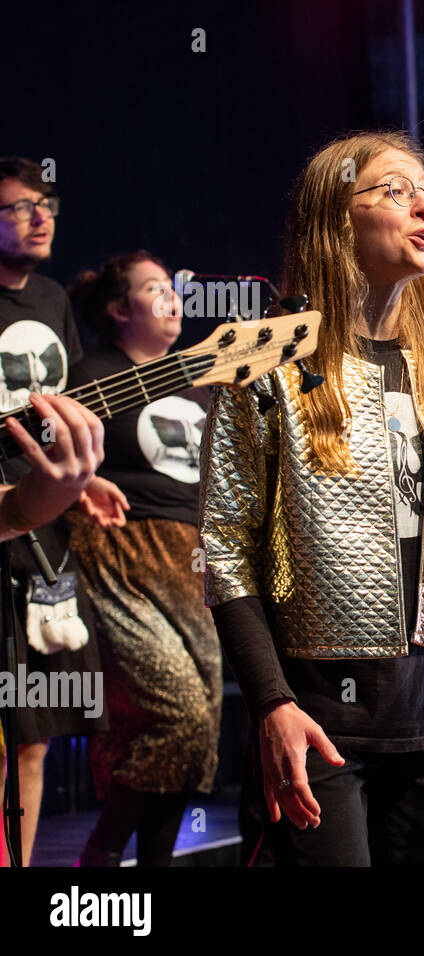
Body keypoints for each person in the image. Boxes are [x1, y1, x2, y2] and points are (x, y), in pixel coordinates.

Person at [199, 131, 424, 867]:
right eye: (394, 191)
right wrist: (273, 704)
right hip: (319, 715)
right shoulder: (266, 357)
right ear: (337, 219)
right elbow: (224, 547)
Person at [63, 251, 223, 866]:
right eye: (152, 289)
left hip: (189, 561)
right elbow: (56, 462)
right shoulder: (95, 376)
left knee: (203, 730)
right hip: (121, 554)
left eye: (173, 287)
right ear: (117, 308)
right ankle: (101, 853)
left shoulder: (193, 382)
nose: (171, 298)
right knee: (175, 713)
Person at [0, 156, 121, 866]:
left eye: (46, 203)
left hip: (47, 536)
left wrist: (86, 482)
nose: (39, 217)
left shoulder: (49, 298)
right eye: (18, 207)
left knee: (36, 729)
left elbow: (71, 409)